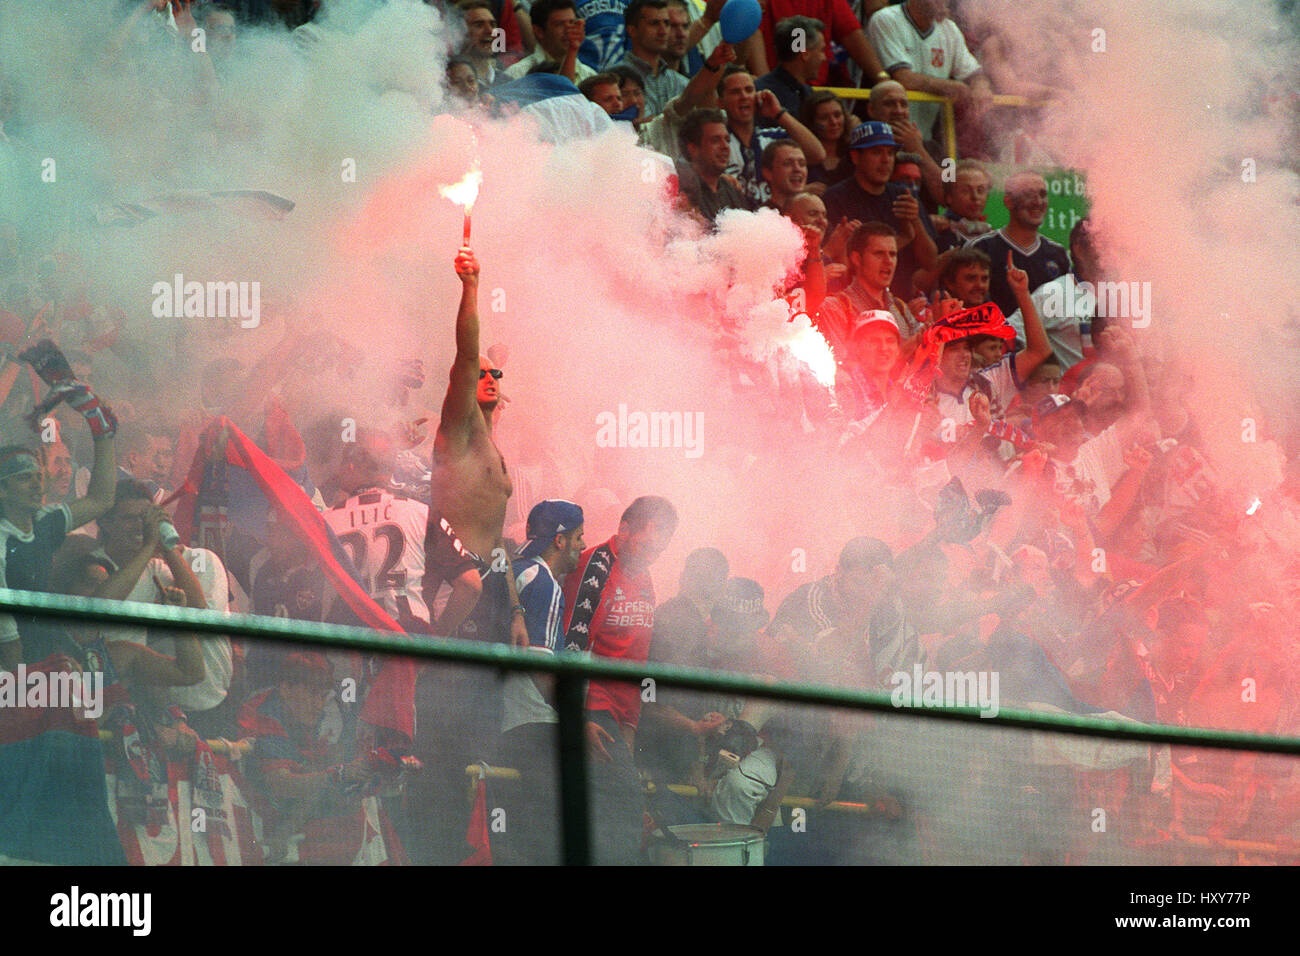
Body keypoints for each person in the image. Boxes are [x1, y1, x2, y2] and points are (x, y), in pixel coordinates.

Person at [563, 494, 677, 864]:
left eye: (659, 549)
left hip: (618, 717)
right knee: (624, 810)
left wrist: (630, 725)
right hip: (592, 711)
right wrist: (578, 718)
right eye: (647, 542)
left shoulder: (643, 573)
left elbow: (635, 656)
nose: (651, 553)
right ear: (624, 530)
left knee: (617, 813)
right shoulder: (594, 567)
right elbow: (572, 645)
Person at [423, 245, 527, 648]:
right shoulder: (458, 429)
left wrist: (515, 610)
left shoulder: (489, 439)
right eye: (480, 374)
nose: (490, 377)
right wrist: (471, 286)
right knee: (444, 695)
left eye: (495, 374)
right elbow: (467, 354)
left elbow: (496, 535)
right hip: (454, 584)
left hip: (489, 588)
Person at [0, 346, 118, 668]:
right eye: (25, 479)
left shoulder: (43, 521)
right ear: (2, 491)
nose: (38, 484)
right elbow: (6, 634)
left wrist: (101, 431)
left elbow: (102, 498)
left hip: (39, 644)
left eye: (38, 476)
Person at [94, 478, 235, 738]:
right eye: (129, 518)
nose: (139, 526)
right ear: (106, 522)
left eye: (145, 517)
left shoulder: (153, 569)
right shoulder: (92, 565)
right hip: (90, 694)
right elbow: (98, 610)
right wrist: (149, 546)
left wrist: (166, 546)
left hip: (131, 697)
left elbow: (196, 606)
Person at [496, 499, 585, 863]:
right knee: (546, 841)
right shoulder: (545, 583)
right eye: (579, 536)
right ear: (560, 540)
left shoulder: (514, 572)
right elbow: (541, 667)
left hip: (502, 723)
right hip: (534, 727)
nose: (582, 545)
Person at [636, 546, 730, 783]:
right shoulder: (684, 624)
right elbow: (652, 700)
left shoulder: (670, 615)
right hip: (665, 752)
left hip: (657, 746)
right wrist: (696, 760)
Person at [324, 429, 430, 631]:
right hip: (409, 638)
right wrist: (441, 634)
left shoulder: (325, 521)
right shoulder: (418, 511)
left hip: (346, 641)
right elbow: (468, 584)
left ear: (352, 465)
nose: (338, 471)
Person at [823, 121, 937, 302]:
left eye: (890, 153)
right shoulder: (835, 199)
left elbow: (930, 262)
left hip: (902, 304)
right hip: (854, 305)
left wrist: (915, 220)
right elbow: (841, 265)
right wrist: (904, 237)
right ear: (855, 157)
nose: (885, 160)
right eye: (876, 152)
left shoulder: (904, 195)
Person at [867, 0, 992, 143]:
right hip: (884, 137)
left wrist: (981, 86)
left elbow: (974, 73)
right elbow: (903, 78)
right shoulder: (885, 19)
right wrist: (949, 86)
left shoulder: (949, 28)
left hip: (924, 138)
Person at [966, 171, 1070, 318]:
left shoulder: (1058, 254)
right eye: (1028, 195)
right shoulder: (981, 248)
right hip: (996, 338)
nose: (1038, 202)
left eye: (1042, 194)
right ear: (1008, 202)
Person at [718, 65, 825, 204]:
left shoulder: (773, 137)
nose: (744, 96)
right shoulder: (717, 142)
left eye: (749, 90)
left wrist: (778, 113)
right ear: (720, 102)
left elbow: (817, 154)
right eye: (735, 92)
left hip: (774, 218)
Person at [866, 79, 945, 207]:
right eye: (889, 104)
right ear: (871, 109)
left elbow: (949, 195)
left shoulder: (933, 147)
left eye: (904, 104)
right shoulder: (861, 149)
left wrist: (918, 150)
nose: (898, 111)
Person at [675, 107, 755, 222]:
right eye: (715, 140)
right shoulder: (681, 190)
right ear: (693, 148)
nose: (725, 146)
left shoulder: (732, 190)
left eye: (727, 140)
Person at [616, 0, 687, 119]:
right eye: (654, 23)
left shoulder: (680, 82)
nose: (663, 31)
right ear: (632, 30)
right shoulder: (614, 78)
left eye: (667, 23)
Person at [502, 0, 596, 83]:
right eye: (559, 24)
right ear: (539, 31)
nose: (569, 29)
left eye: (572, 22)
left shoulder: (590, 75)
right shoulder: (516, 75)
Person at [755, 16, 826, 118]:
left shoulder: (808, 94)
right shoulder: (762, 97)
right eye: (822, 50)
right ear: (804, 54)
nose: (824, 58)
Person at [800, 91, 852, 193]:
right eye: (824, 118)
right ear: (811, 122)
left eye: (837, 115)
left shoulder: (854, 154)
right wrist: (802, 191)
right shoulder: (800, 158)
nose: (833, 122)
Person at [458, 0, 506, 87]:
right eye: (479, 25)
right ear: (460, 32)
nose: (490, 31)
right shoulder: (451, 84)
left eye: (492, 25)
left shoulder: (507, 81)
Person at [759, 140, 809, 212]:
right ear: (768, 173)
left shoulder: (816, 214)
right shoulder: (760, 217)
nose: (797, 169)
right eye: (787, 163)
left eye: (802, 164)